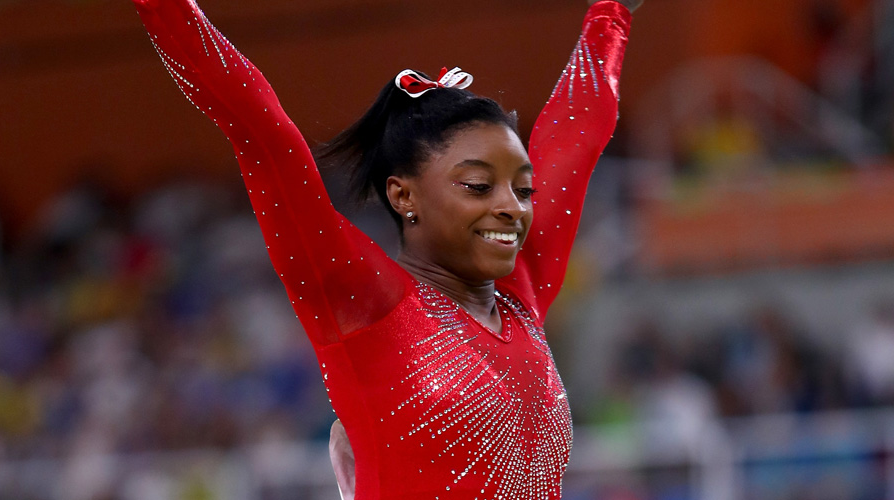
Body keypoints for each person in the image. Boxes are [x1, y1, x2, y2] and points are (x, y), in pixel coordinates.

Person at [131, 0, 639, 496]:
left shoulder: (518, 300)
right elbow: (259, 127)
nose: (513, 207)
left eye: (522, 188)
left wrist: (610, 14)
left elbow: (575, 132)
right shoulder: (366, 302)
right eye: (479, 186)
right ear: (403, 194)